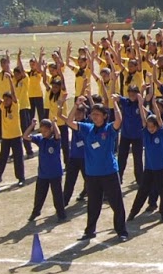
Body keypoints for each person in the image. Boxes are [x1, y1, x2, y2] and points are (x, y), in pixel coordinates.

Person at [66, 98, 129, 241]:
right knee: (93, 205)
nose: (94, 116)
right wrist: (76, 105)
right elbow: (69, 122)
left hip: (109, 172)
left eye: (97, 114)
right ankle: (89, 231)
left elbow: (119, 121)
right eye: (92, 114)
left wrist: (114, 104)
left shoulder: (109, 129)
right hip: (92, 174)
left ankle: (121, 231)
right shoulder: (87, 128)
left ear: (105, 116)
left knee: (116, 204)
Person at [26, 118, 68, 223]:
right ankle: (36, 212)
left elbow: (58, 135)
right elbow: (25, 136)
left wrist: (54, 123)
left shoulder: (55, 140)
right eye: (42, 131)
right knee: (39, 195)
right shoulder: (40, 140)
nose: (43, 133)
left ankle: (61, 214)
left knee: (57, 195)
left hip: (55, 174)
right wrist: (32, 126)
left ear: (51, 130)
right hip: (43, 174)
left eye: (46, 131)